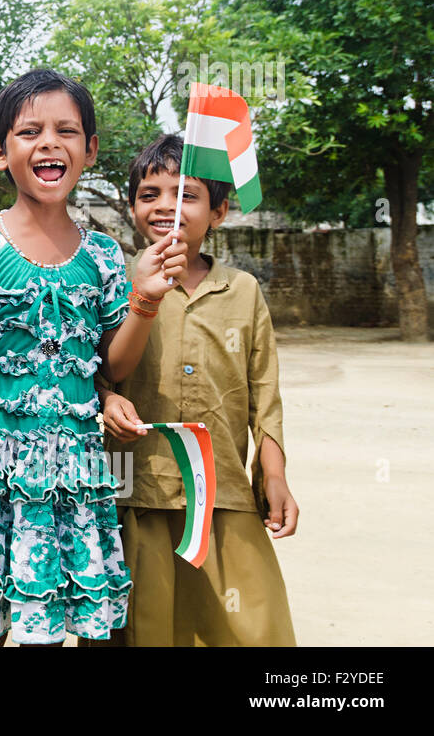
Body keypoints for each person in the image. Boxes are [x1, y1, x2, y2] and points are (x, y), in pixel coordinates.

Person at [0, 68, 188, 646]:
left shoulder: (105, 255)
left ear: (90, 149)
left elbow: (116, 365)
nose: (49, 143)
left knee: (73, 628)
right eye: (30, 131)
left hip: (75, 469)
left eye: (67, 131)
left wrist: (145, 301)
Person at [96, 133, 298, 646]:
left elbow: (264, 393)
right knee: (142, 628)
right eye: (150, 194)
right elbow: (90, 371)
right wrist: (107, 398)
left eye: (186, 194)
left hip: (224, 489)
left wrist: (272, 473)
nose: (167, 206)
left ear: (220, 211)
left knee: (249, 627)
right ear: (133, 207)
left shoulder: (244, 291)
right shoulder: (111, 282)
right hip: (134, 489)